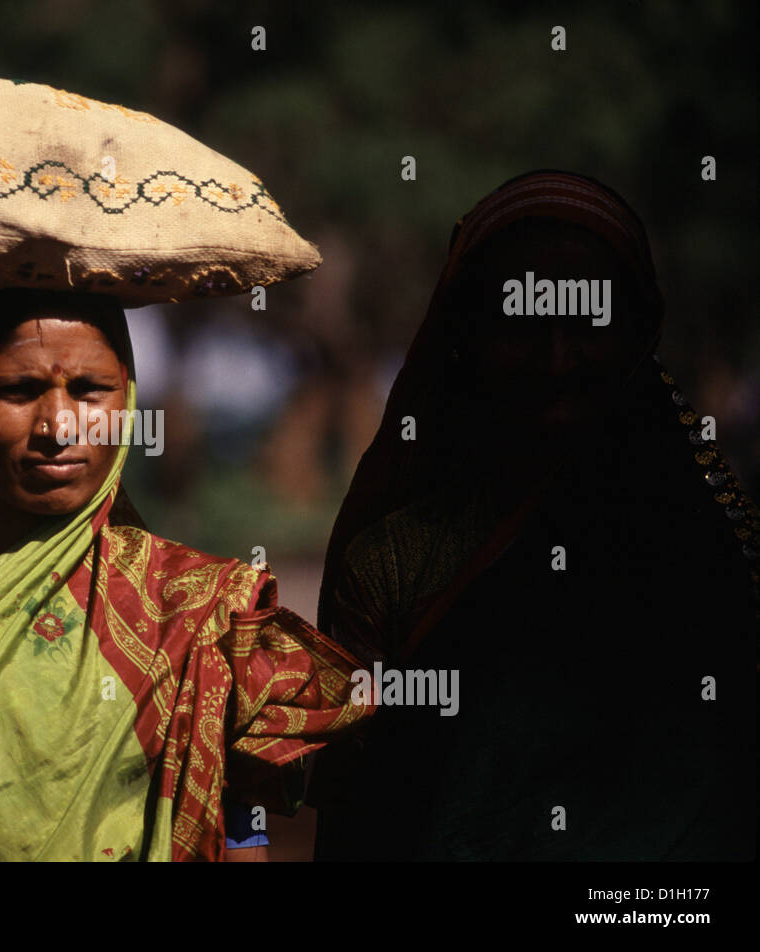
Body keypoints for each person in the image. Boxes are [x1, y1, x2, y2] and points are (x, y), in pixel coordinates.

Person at [0, 288, 372, 861]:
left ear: (129, 401)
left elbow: (234, 844)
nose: (60, 426)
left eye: (91, 391)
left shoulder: (199, 613)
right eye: (17, 391)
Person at [309, 170, 758, 860]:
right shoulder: (395, 563)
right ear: (468, 335)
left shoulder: (711, 547)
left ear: (638, 331)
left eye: (588, 324)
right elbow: (354, 806)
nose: (556, 359)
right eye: (522, 325)